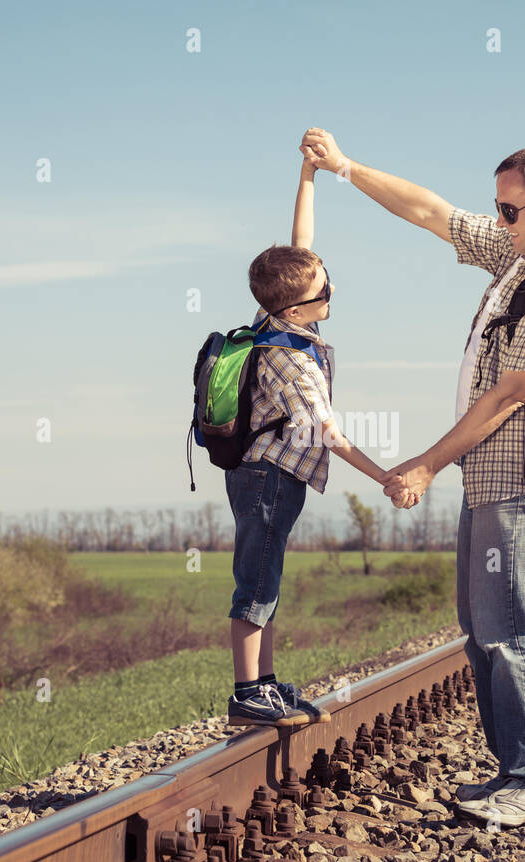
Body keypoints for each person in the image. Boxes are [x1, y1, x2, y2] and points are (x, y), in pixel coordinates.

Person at [300, 128, 525, 826]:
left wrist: (425, 465)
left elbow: (510, 394)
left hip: (519, 474)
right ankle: (515, 776)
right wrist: (344, 167)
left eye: (508, 208)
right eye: (496, 209)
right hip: (488, 477)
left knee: (514, 628)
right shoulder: (520, 254)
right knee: (481, 627)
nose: (495, 220)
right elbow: (432, 212)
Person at [225, 148, 404, 728]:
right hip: (268, 477)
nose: (332, 294)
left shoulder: (275, 317)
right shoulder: (291, 360)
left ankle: (266, 684)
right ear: (301, 306)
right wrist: (389, 478)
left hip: (271, 474)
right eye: (328, 291)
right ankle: (245, 692)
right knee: (256, 579)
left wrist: (309, 174)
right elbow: (329, 434)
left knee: (267, 576)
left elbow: (299, 247)